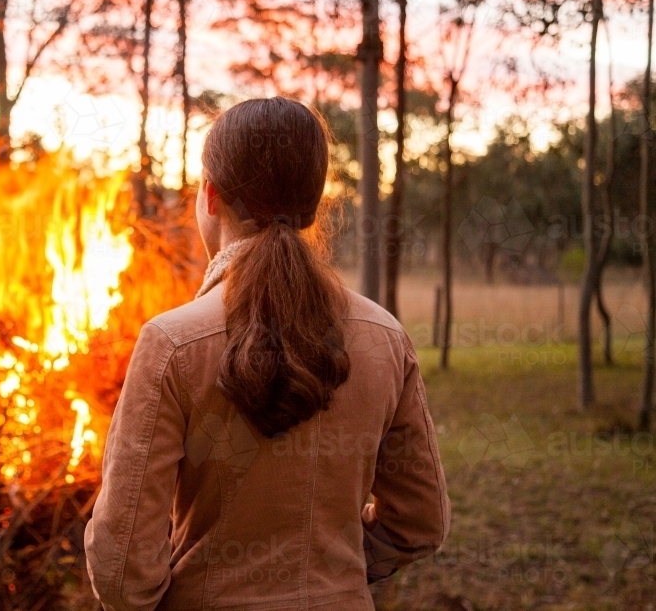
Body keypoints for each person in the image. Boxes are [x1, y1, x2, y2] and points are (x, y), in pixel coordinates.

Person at [84, 97, 449, 611]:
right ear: (314, 203)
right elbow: (420, 522)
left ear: (210, 196)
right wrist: (331, 576)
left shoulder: (171, 344)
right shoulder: (384, 336)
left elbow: (122, 566)